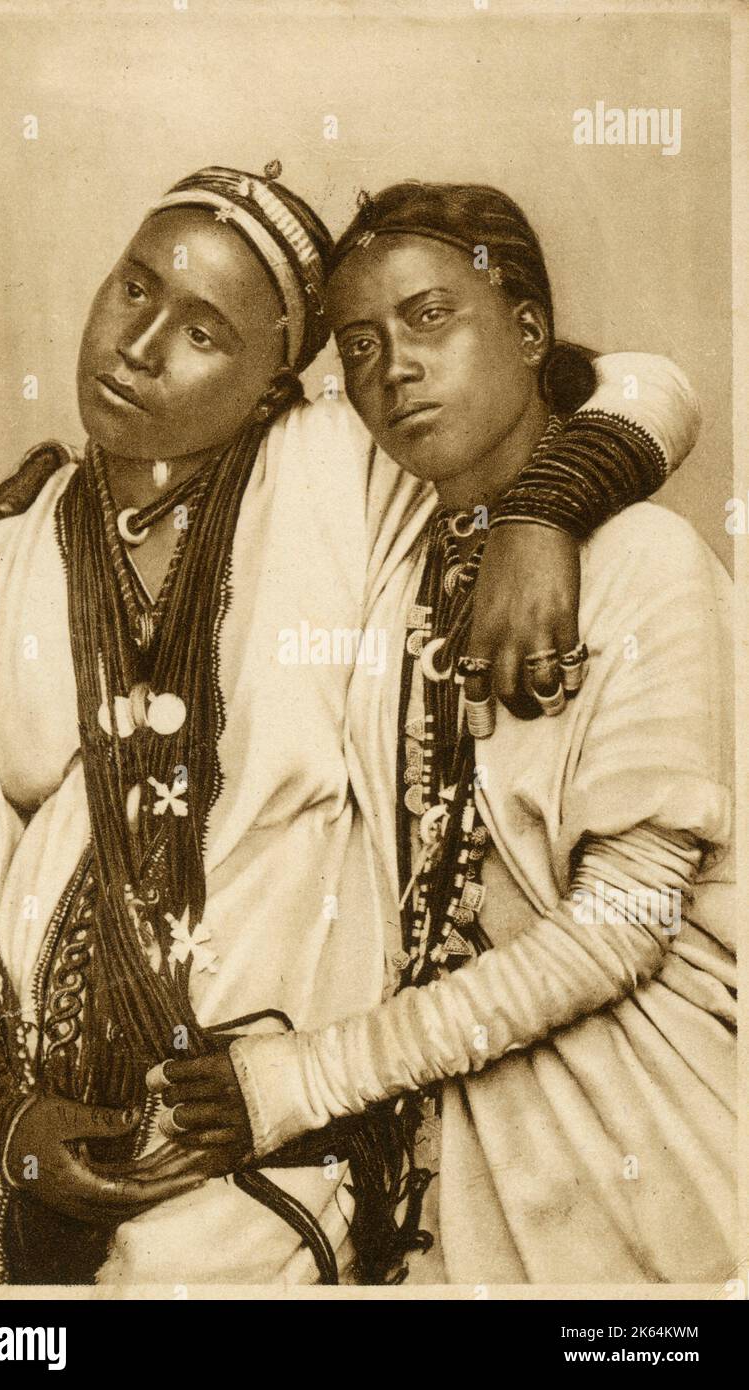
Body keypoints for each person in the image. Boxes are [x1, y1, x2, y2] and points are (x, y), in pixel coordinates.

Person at [0, 166, 704, 1286]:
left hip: (274, 1154)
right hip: (13, 1132)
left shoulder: (340, 470)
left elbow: (637, 384)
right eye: (134, 289)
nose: (140, 346)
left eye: (203, 331)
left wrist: (548, 503)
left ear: (273, 391)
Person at [148, 182, 735, 1285]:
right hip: (438, 1173)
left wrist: (305, 1078)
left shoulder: (647, 563)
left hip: (637, 1153)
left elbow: (620, 928)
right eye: (359, 346)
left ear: (525, 331)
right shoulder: (396, 566)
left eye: (429, 318)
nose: (392, 369)